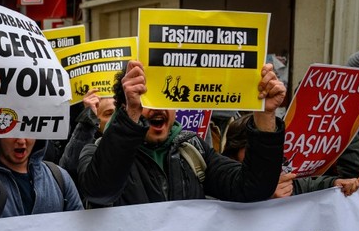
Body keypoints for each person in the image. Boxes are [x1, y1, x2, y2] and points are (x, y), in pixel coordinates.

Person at [76, 61, 286, 206]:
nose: (158, 109)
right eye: (147, 100)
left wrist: (265, 115)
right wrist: (132, 111)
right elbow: (100, 192)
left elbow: (252, 188)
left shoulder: (192, 149)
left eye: (165, 99)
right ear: (126, 105)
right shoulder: (95, 153)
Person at [223, 114, 359, 198]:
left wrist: (334, 184)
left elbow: (306, 184)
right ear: (234, 150)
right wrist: (263, 195)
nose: (265, 155)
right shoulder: (224, 179)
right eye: (254, 150)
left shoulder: (283, 175)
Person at [59, 89, 116, 186]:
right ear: (96, 121)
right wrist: (87, 122)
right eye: (109, 114)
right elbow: (70, 168)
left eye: (117, 112)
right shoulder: (88, 150)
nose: (114, 118)